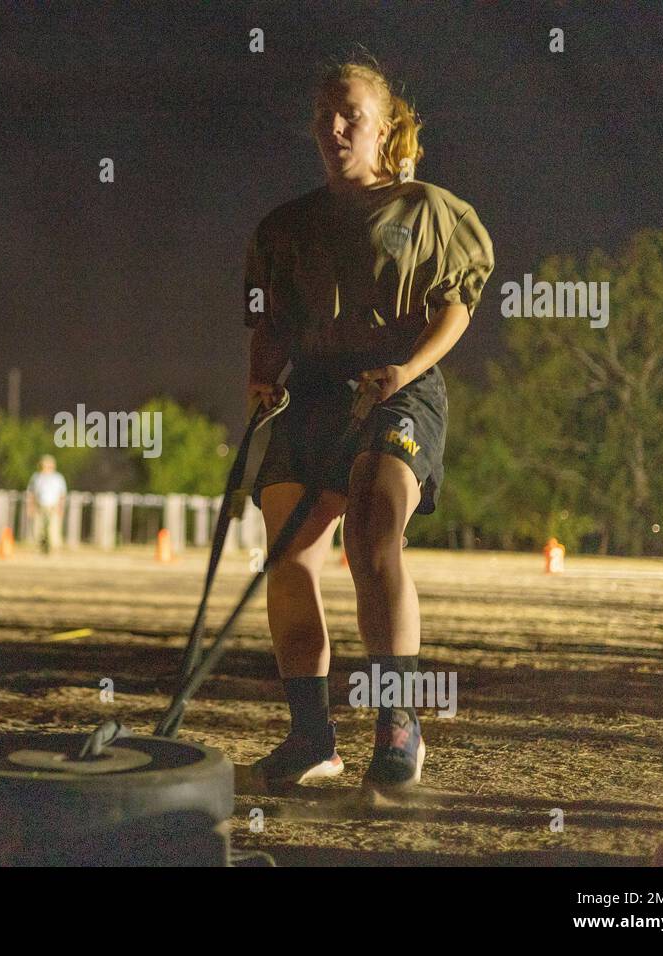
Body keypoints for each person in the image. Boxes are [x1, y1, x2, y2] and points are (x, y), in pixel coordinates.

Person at [243, 58, 494, 794]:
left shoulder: (427, 210)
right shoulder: (284, 226)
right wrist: (260, 374)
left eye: (350, 113)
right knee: (287, 554)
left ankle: (397, 721)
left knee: (372, 529)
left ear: (384, 126)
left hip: (394, 383)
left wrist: (406, 371)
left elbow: (457, 306)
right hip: (312, 391)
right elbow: (269, 319)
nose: (334, 127)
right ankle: (313, 736)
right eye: (324, 114)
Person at [25, 455, 67, 554]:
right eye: (45, 465)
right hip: (39, 506)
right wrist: (30, 506)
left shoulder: (58, 478)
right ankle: (40, 548)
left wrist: (61, 508)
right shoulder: (36, 477)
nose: (47, 467)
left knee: (53, 529)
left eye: (49, 465)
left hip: (53, 506)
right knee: (38, 528)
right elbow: (31, 493)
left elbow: (62, 495)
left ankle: (54, 549)